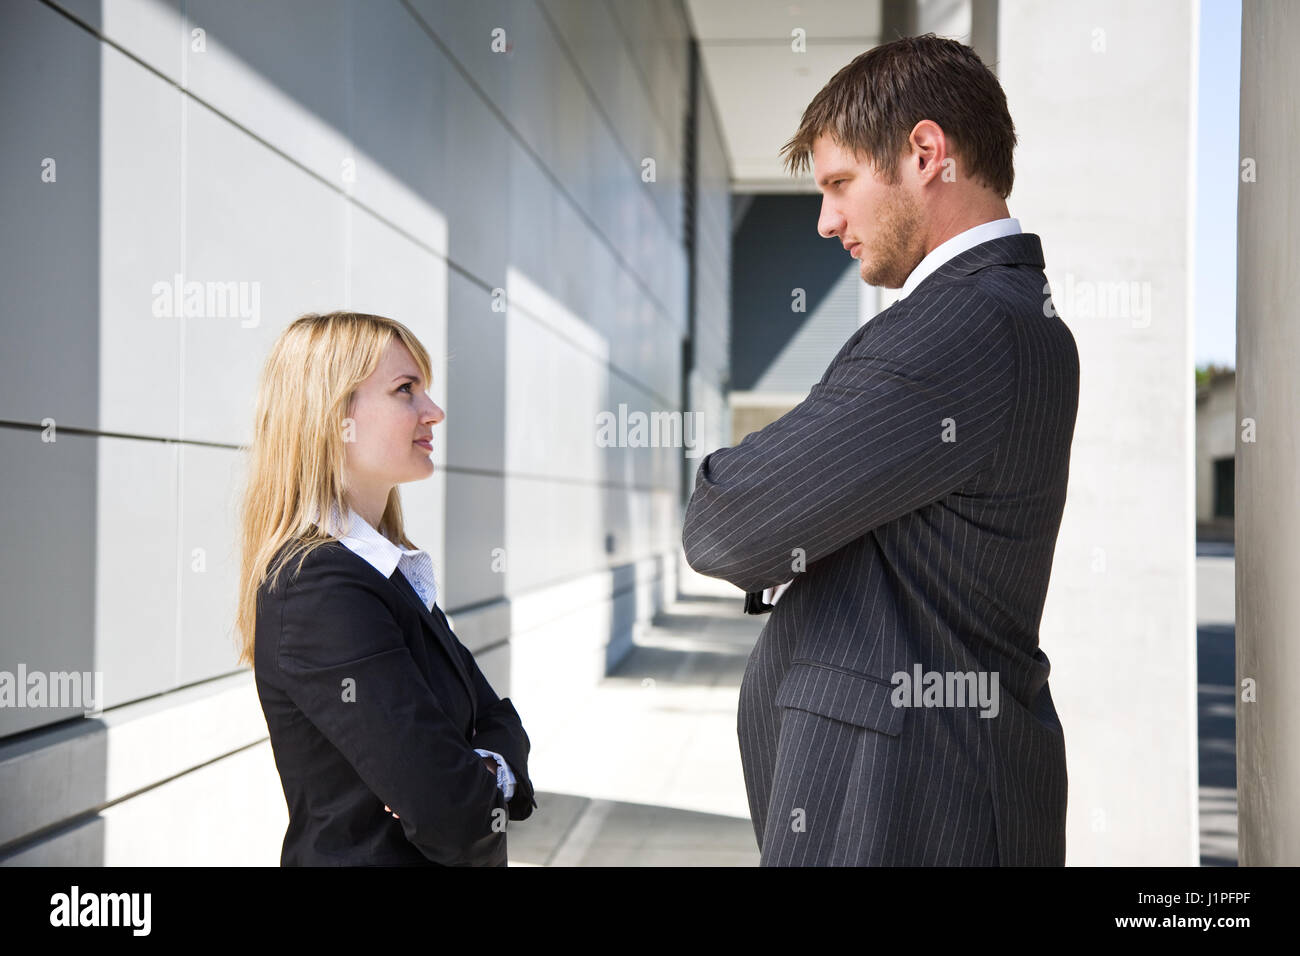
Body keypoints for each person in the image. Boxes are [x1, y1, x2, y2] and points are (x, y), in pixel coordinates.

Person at [682, 34, 1079, 866]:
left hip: (903, 808)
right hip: (939, 789)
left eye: (838, 185)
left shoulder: (955, 325)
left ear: (926, 153)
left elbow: (727, 522)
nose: (827, 222)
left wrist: (754, 470)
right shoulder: (1015, 316)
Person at [233, 310, 535, 866]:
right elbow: (450, 807)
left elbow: (499, 719)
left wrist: (480, 766)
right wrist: (479, 771)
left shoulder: (385, 571)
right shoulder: (318, 588)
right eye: (405, 390)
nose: (434, 412)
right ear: (332, 418)